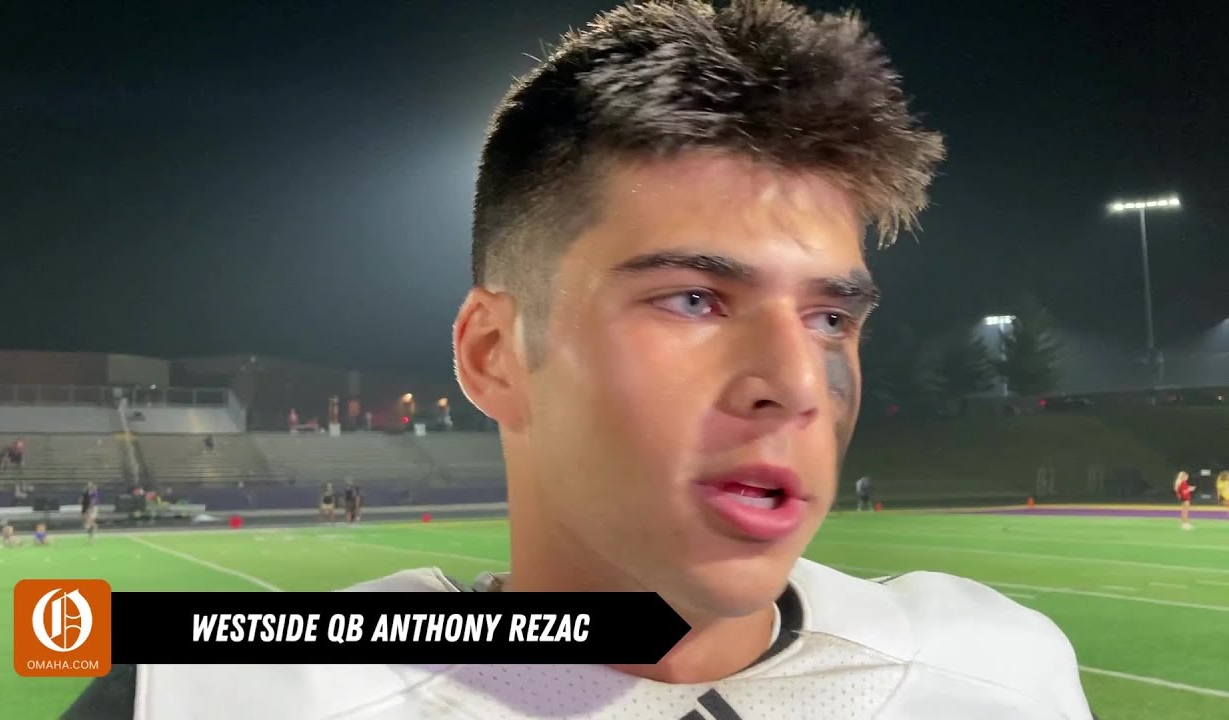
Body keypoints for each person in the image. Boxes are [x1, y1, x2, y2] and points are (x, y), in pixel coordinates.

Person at [63, 2, 1093, 718]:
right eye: (693, 299)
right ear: (492, 354)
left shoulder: (1000, 671)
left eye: (830, 319)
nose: (790, 381)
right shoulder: (209, 699)